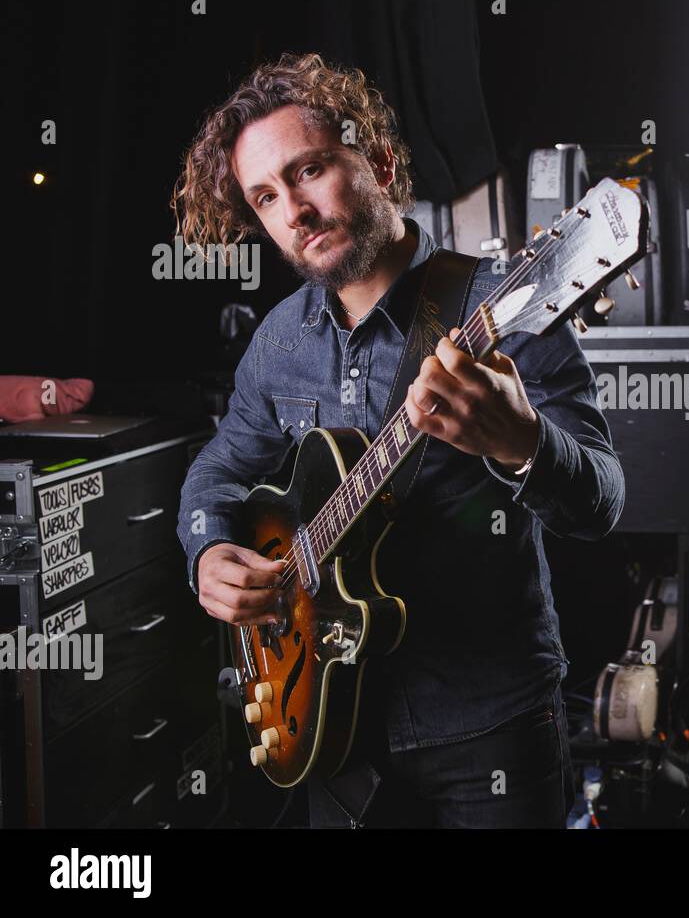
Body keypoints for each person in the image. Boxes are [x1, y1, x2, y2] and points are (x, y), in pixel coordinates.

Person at [172, 52, 624, 827]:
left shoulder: (503, 310)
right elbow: (214, 471)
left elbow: (602, 501)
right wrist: (209, 549)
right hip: (332, 731)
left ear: (377, 160)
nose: (294, 212)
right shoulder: (279, 342)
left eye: (309, 171)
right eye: (266, 197)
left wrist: (520, 442)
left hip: (489, 730)